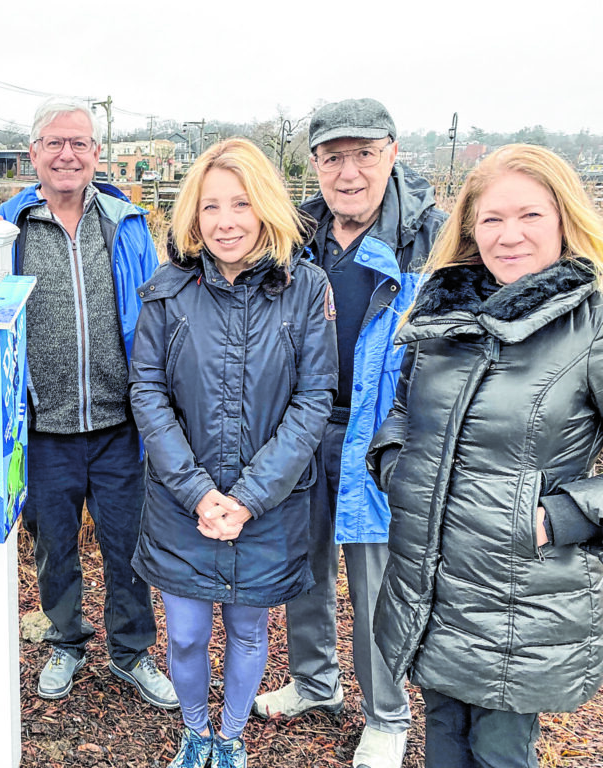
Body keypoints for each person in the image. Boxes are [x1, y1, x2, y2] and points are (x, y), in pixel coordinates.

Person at [366, 143, 603, 768]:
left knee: (500, 752)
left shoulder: (593, 325)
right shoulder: (443, 313)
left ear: (563, 219)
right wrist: (396, 471)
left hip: (519, 591)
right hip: (432, 579)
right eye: (492, 219)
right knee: (443, 740)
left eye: (530, 216)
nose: (509, 236)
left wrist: (562, 516)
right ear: (469, 227)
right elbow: (399, 413)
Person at [252, 98, 447, 768]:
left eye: (364, 153)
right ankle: (315, 681)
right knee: (304, 568)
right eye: (334, 157)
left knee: (374, 583)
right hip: (304, 427)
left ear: (393, 152)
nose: (349, 171)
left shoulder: (433, 236)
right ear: (315, 165)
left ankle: (387, 716)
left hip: (382, 436)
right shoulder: (296, 232)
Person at [130, 138, 337, 768]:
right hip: (181, 503)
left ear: (265, 207)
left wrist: (247, 498)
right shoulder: (168, 291)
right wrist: (197, 491)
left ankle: (232, 736)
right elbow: (148, 389)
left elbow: (314, 397)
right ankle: (197, 731)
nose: (225, 221)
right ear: (192, 213)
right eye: (211, 206)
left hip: (267, 506)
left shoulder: (304, 287)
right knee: (188, 635)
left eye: (240, 204)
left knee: (249, 630)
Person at [0, 97, 176, 708]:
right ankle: (66, 640)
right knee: (54, 546)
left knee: (127, 545)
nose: (67, 154)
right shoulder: (3, 230)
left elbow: (154, 316)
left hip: (119, 424)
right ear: (34, 153)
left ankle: (131, 651)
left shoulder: (126, 225)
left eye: (79, 143)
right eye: (54, 143)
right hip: (41, 426)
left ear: (96, 153)